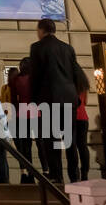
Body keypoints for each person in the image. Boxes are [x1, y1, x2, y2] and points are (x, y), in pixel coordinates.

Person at [28, 19, 86, 184]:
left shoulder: (37, 48)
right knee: (70, 140)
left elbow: (36, 76)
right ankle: (74, 176)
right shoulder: (67, 48)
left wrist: (33, 100)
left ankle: (56, 175)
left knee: (50, 140)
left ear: (41, 30)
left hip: (49, 98)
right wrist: (76, 96)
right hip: (69, 98)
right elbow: (76, 73)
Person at [66, 81, 91, 182]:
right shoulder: (83, 85)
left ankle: (74, 175)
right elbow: (85, 102)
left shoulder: (66, 84)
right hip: (83, 117)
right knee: (83, 146)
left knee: (71, 147)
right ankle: (85, 174)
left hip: (69, 117)